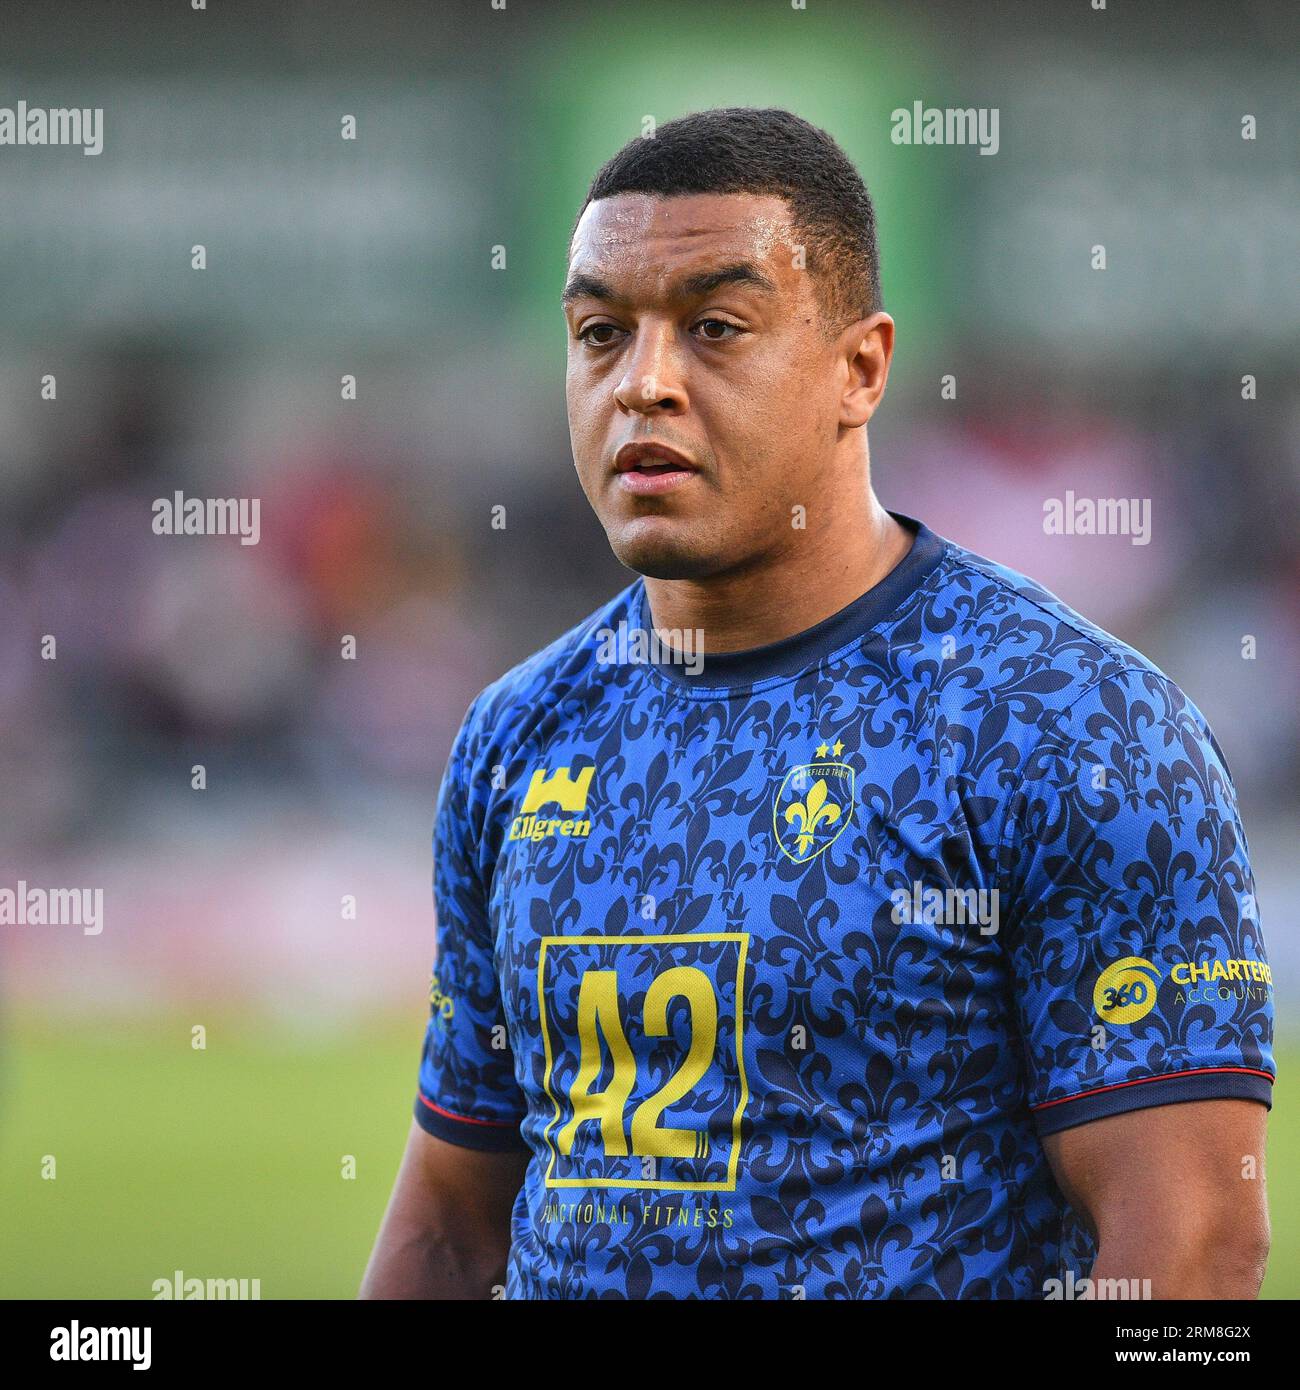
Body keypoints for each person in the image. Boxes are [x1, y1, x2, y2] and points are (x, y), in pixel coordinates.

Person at [361, 108, 1273, 1300]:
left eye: (715, 328)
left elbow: (1194, 1249)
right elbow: (448, 1222)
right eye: (598, 334)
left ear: (861, 368)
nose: (642, 384)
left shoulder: (1066, 724)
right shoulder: (516, 735)